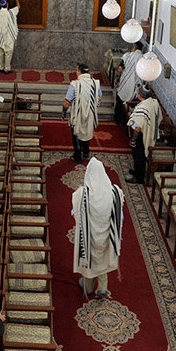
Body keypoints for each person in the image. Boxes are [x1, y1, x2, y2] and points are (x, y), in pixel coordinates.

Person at [72, 157, 124, 299]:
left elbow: (75, 213)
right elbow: (120, 217)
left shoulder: (83, 195)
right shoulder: (115, 192)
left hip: (90, 236)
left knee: (90, 258)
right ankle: (102, 288)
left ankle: (88, 287)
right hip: (107, 235)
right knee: (102, 260)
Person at [62, 62, 102, 163]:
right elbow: (99, 97)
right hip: (90, 113)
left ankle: (77, 155)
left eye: (76, 70)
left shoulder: (75, 84)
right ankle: (86, 152)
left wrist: (64, 112)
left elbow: (67, 101)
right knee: (87, 131)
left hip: (77, 114)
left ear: (79, 72)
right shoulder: (95, 83)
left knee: (76, 132)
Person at [126, 85, 163, 184]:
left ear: (139, 95)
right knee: (139, 155)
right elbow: (159, 118)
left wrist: (133, 139)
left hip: (141, 135)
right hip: (148, 131)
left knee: (139, 156)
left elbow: (138, 127)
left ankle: (139, 177)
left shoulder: (143, 107)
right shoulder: (153, 102)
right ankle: (137, 171)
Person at [114, 41, 144, 123]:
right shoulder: (143, 58)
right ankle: (125, 122)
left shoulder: (128, 55)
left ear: (134, 48)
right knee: (131, 99)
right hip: (136, 87)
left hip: (125, 82)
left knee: (120, 98)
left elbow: (120, 69)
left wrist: (117, 77)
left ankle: (117, 120)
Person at [0, 0, 20, 74]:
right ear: (7, 5)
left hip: (0, 37)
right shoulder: (11, 12)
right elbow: (18, 6)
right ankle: (7, 69)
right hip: (9, 36)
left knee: (0, 53)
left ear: (1, 6)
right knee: (8, 53)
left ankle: (1, 68)